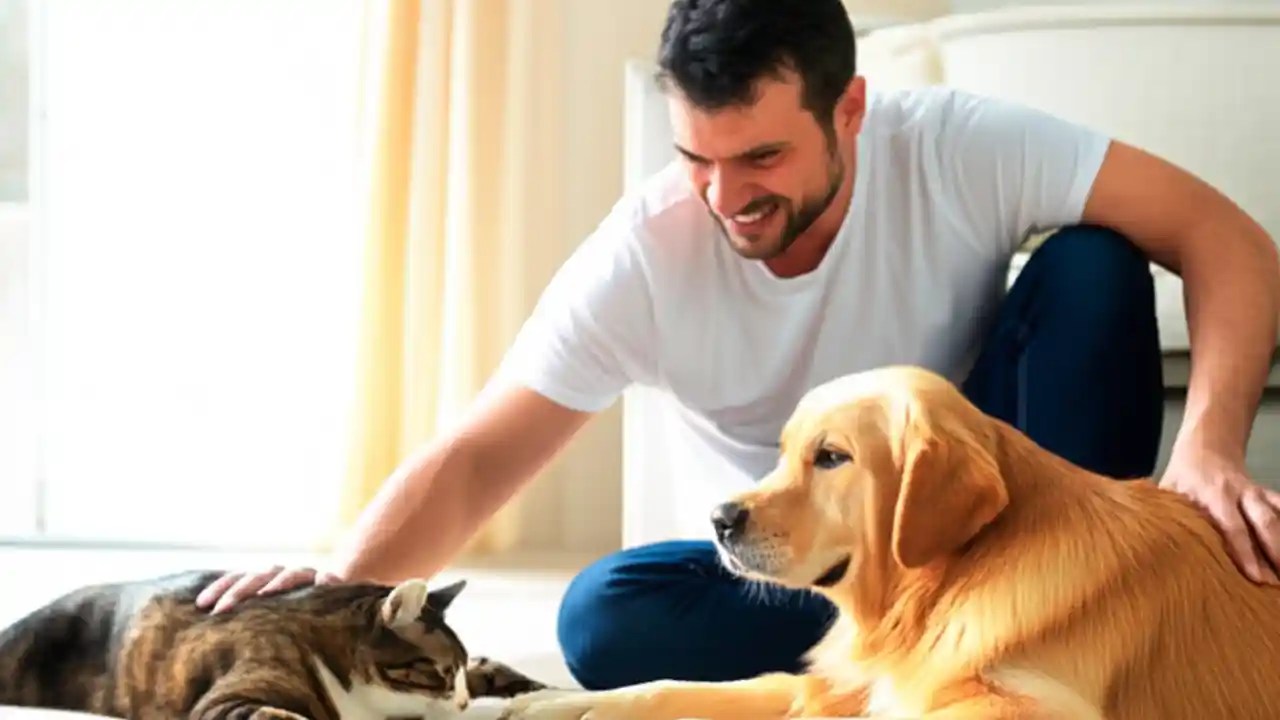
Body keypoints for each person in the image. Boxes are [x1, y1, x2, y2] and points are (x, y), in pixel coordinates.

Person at [197, 0, 1280, 691]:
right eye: (697, 160)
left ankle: (1060, 634)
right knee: (601, 618)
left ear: (849, 110)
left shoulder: (957, 146)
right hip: (818, 577)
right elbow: (481, 455)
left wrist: (1208, 447)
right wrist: (338, 593)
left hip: (994, 537)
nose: (725, 198)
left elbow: (1222, 235)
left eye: (760, 158)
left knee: (1094, 264)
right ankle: (928, 674)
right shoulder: (645, 253)